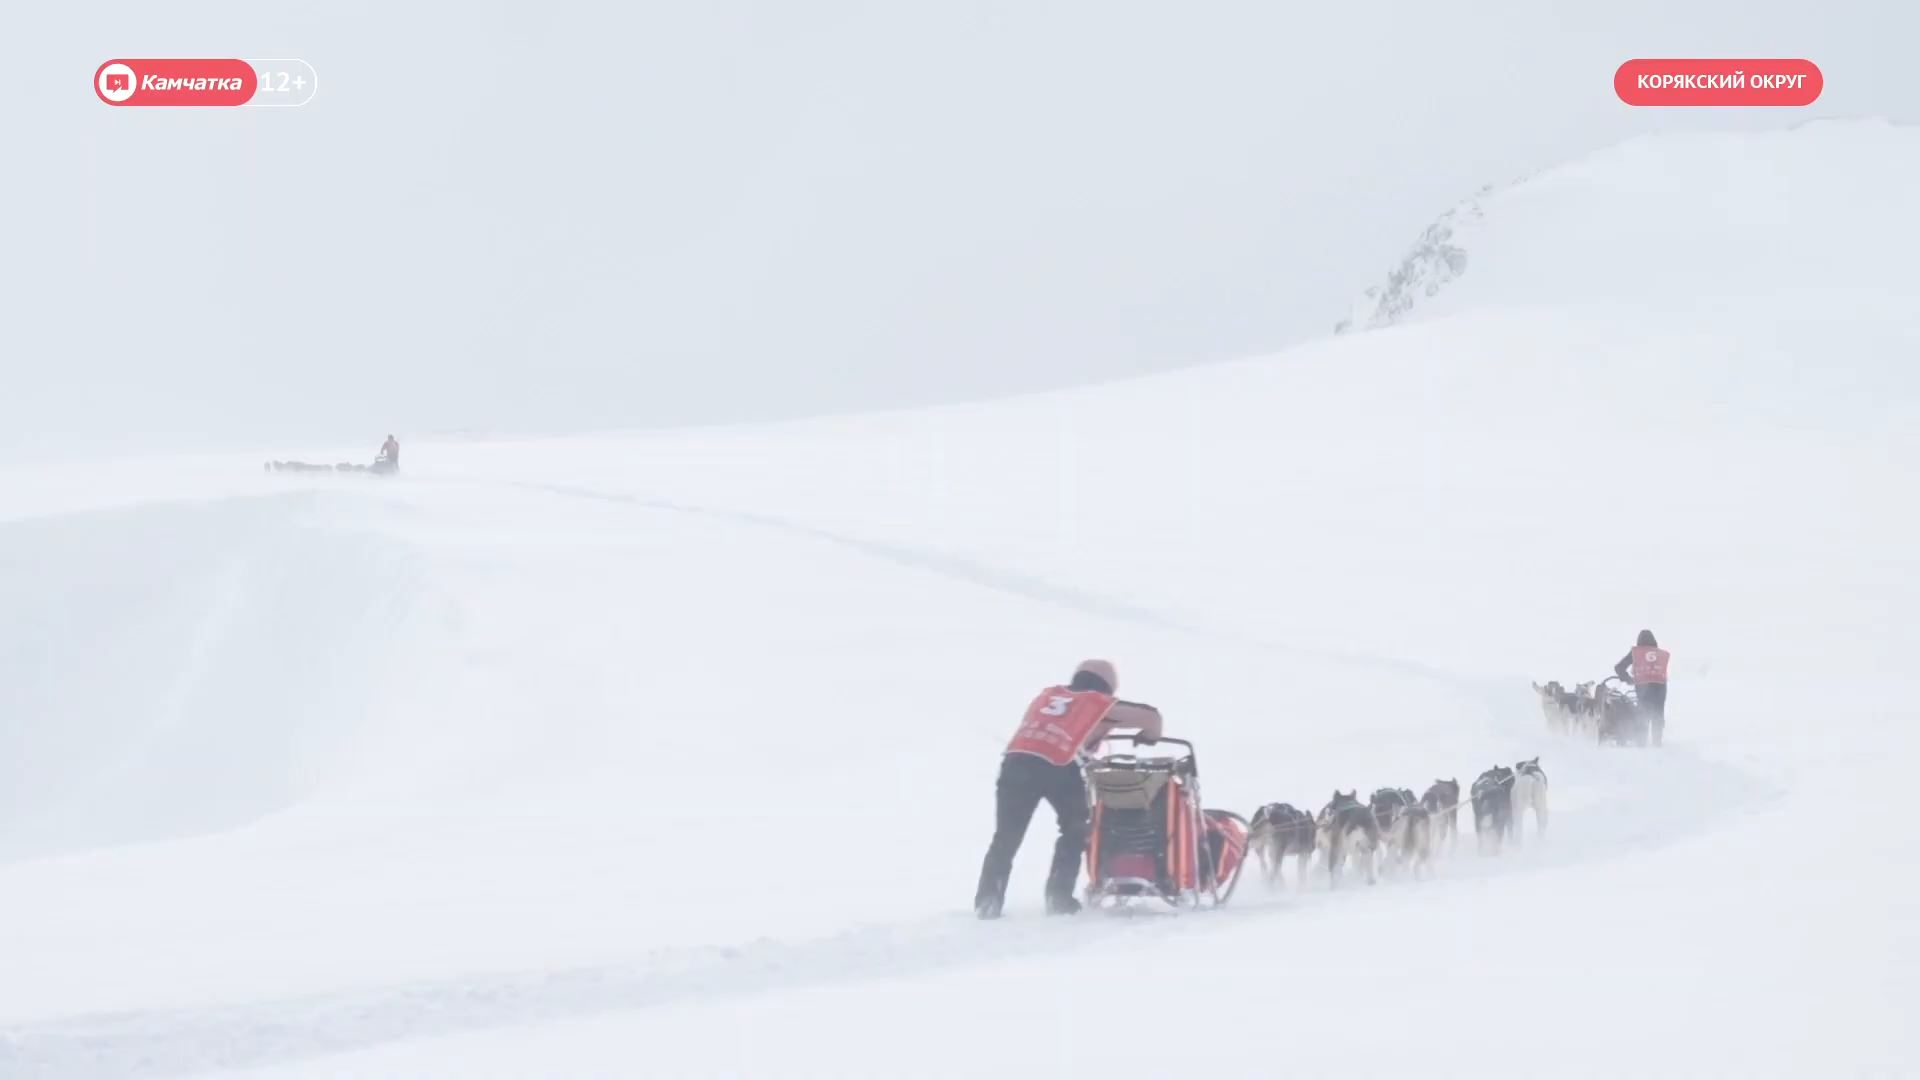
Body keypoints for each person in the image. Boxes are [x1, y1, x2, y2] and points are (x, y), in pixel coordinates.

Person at [973, 659, 1164, 919]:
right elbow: (1151, 717)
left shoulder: (1046, 697)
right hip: (1059, 765)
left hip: (1016, 763)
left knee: (1006, 838)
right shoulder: (1098, 703)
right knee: (1075, 829)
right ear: (1108, 686)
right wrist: (1149, 737)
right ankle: (1058, 897)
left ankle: (988, 901)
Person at [1614, 629, 1670, 746]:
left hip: (1644, 691)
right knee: (1658, 716)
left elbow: (1619, 667)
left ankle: (1642, 746)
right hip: (1660, 690)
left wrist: (1629, 679)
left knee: (1642, 717)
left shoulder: (1636, 653)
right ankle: (1657, 745)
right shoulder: (1660, 654)